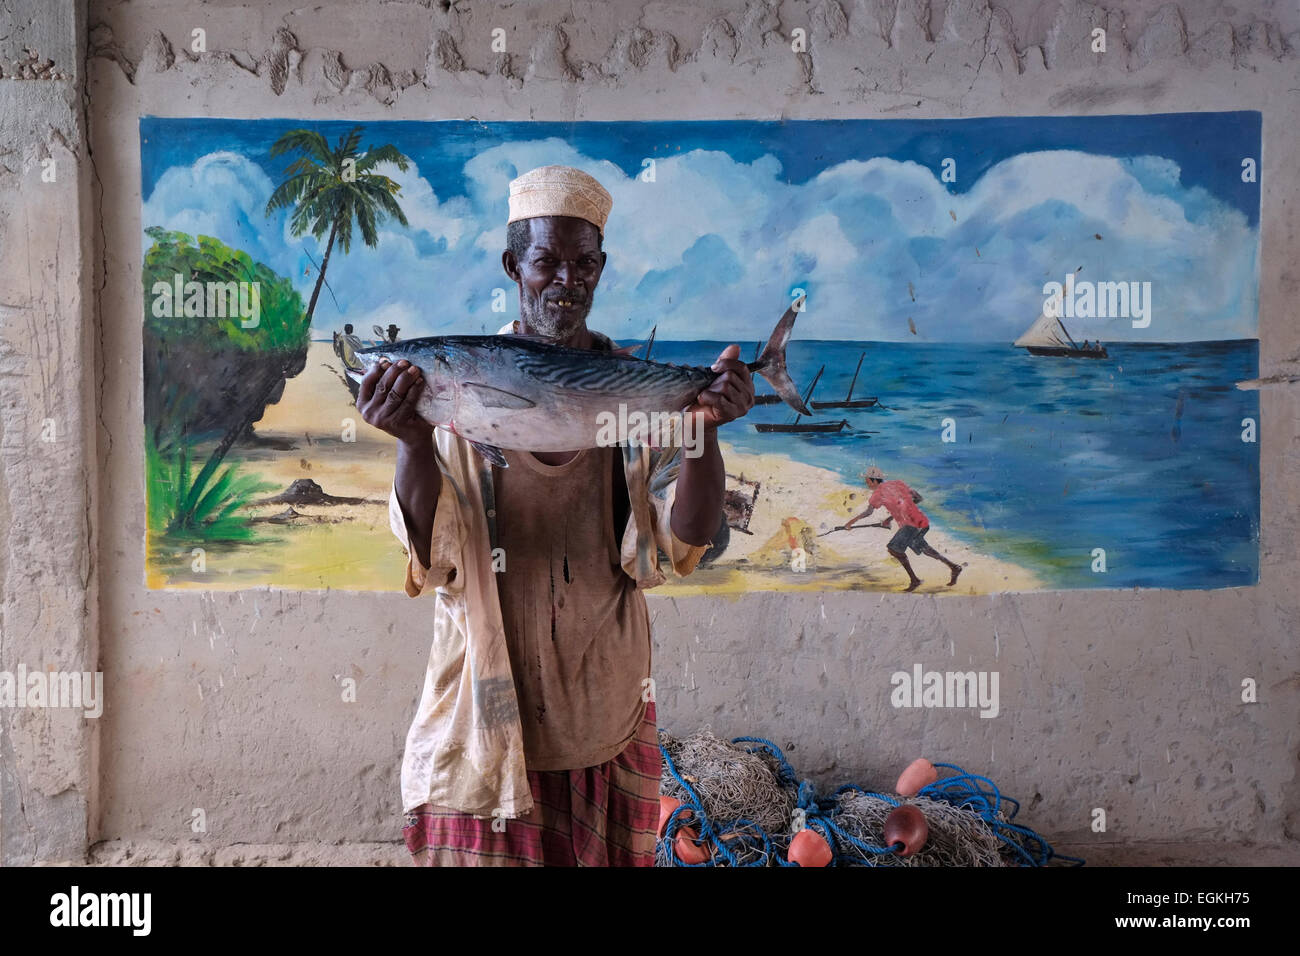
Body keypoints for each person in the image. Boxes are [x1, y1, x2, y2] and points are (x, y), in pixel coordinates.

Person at [356, 165, 755, 866]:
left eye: (583, 262)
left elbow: (679, 545)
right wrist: (415, 441)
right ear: (515, 265)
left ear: (601, 269)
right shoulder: (457, 384)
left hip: (604, 704)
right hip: (480, 712)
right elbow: (431, 557)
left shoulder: (637, 390)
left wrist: (706, 431)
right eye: (546, 261)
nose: (565, 280)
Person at [844, 465, 962, 592]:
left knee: (894, 549)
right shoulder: (898, 484)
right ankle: (954, 567)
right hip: (921, 521)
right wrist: (892, 518)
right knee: (924, 548)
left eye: (867, 481)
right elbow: (918, 498)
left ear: (873, 480)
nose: (867, 484)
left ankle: (915, 580)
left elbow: (868, 512)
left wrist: (851, 522)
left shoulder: (877, 495)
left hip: (911, 525)